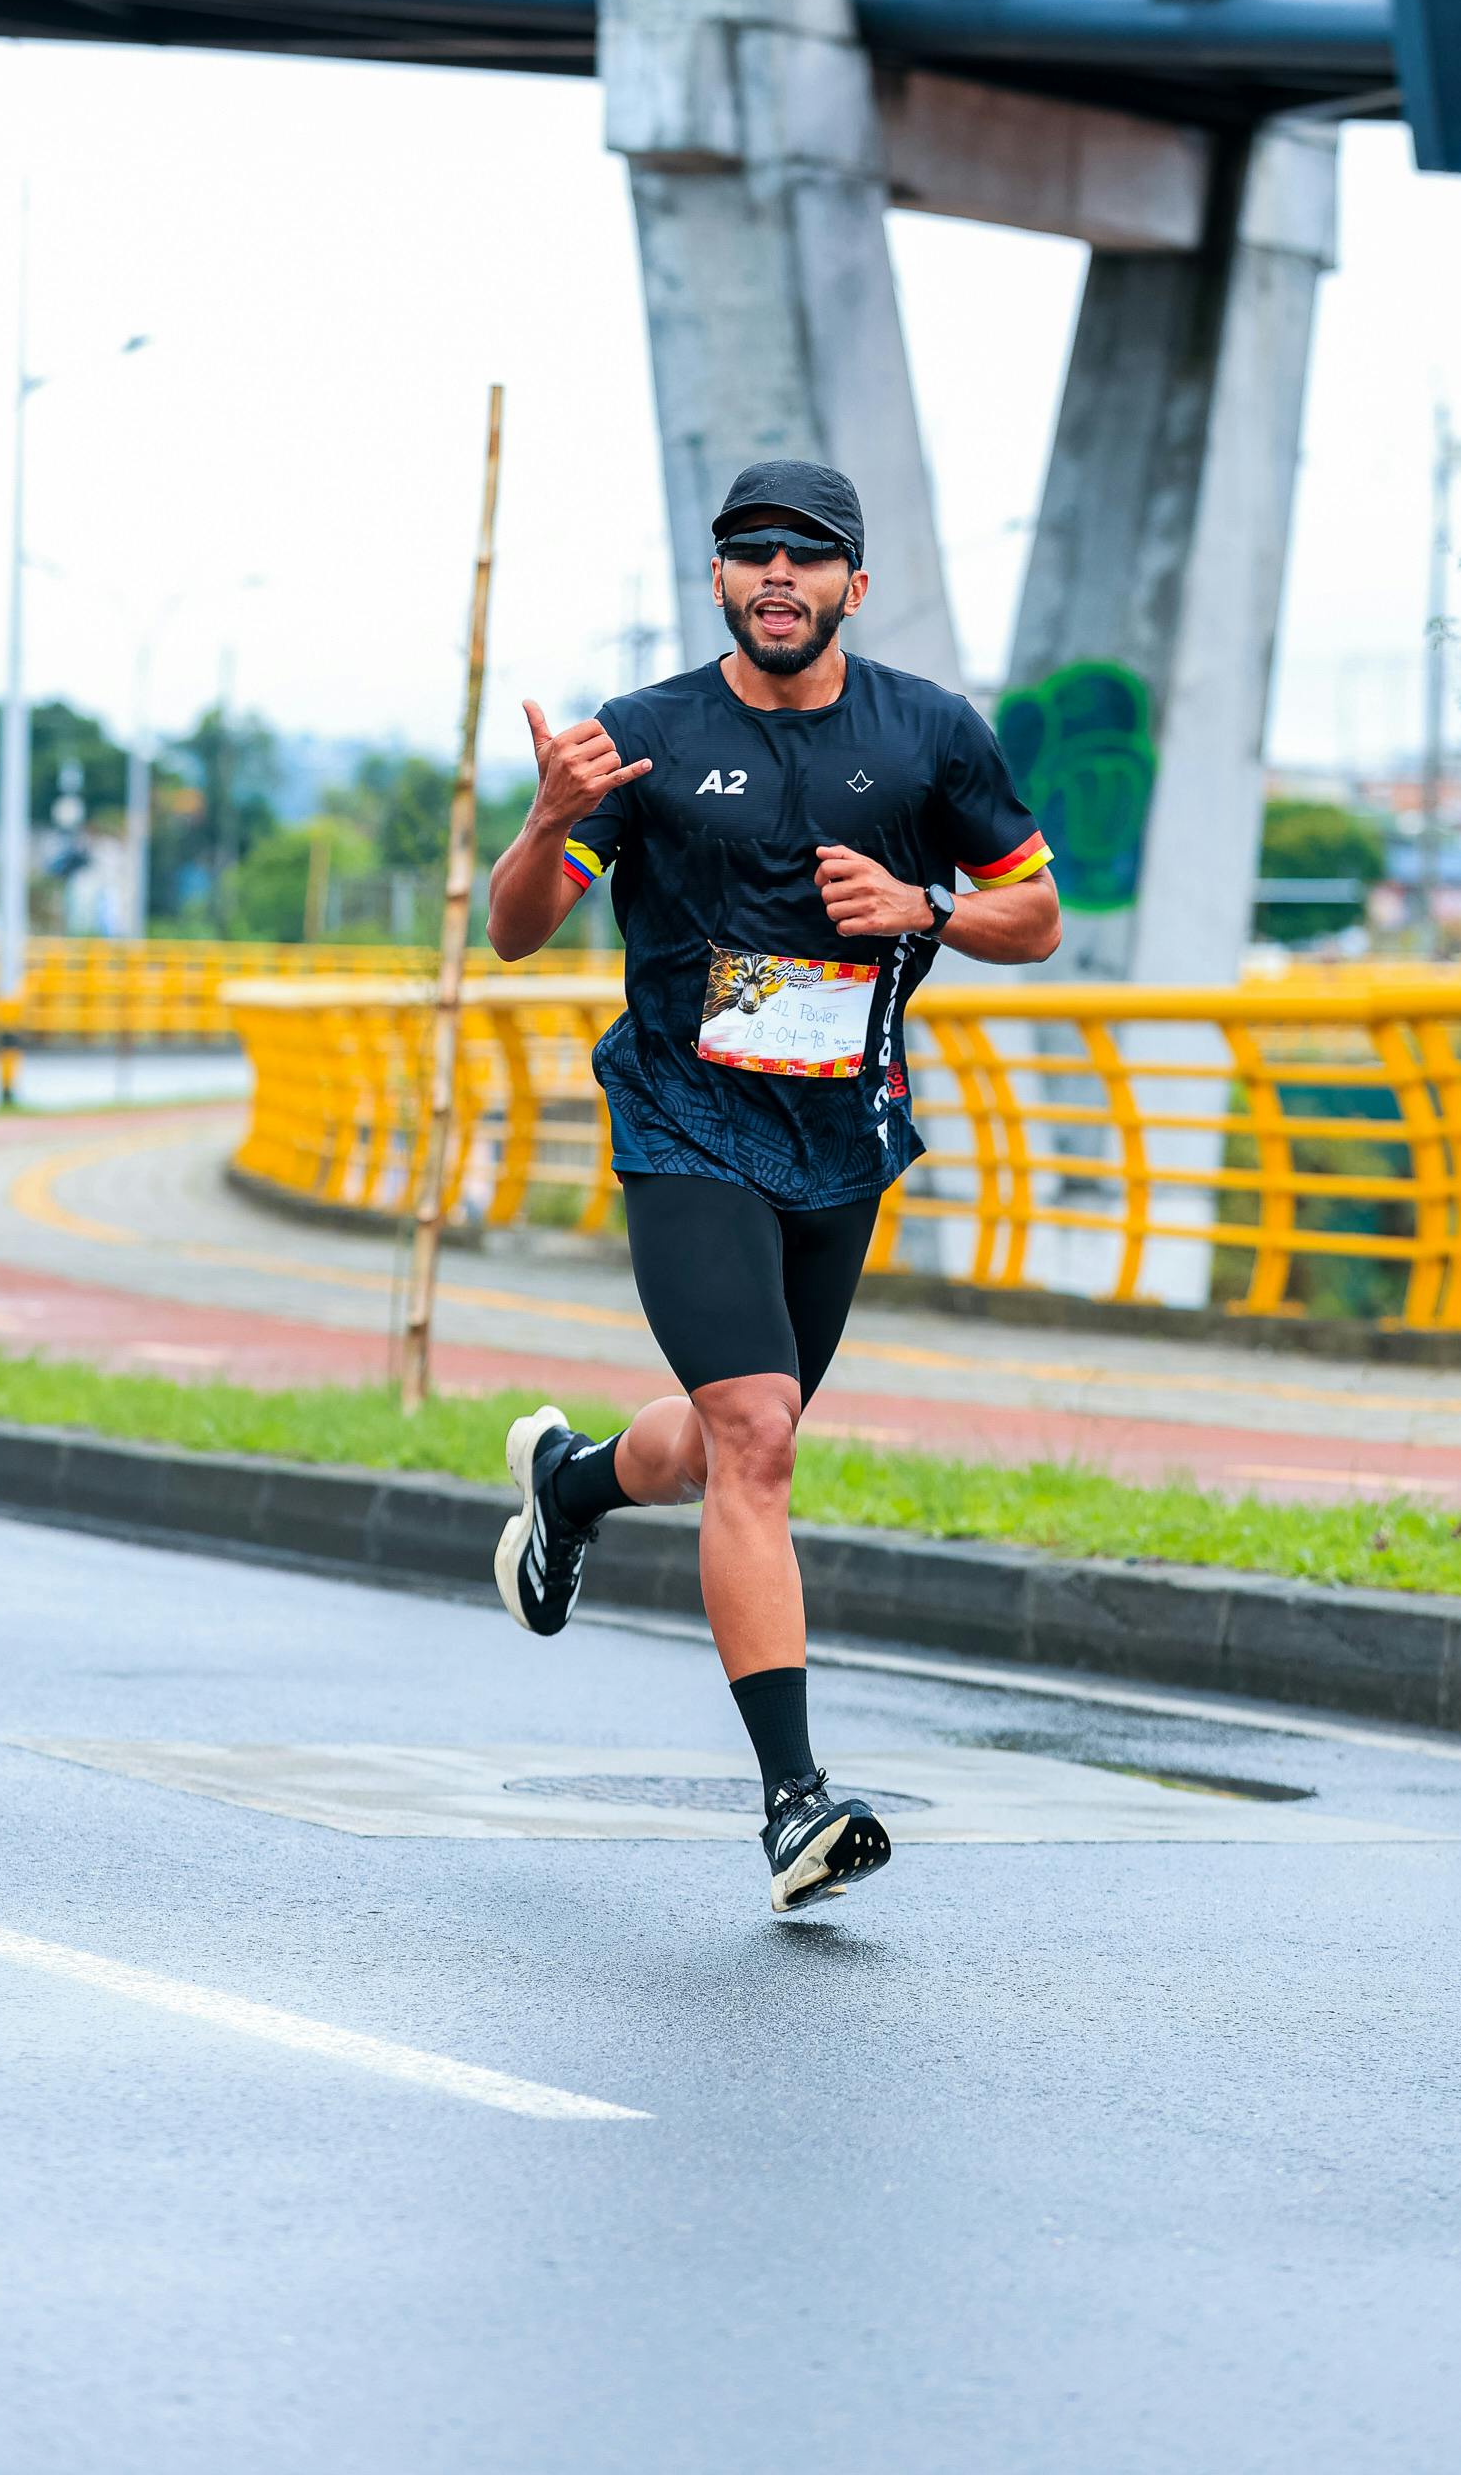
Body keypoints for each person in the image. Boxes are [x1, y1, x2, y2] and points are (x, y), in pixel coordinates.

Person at [485, 460, 1061, 1914]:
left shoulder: (930, 734)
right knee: (757, 1437)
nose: (777, 576)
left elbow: (1037, 914)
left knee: (744, 1432)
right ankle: (795, 1802)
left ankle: (570, 1485)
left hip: (842, 1132)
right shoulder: (645, 738)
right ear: (721, 582)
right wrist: (548, 820)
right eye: (751, 554)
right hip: (682, 1117)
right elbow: (514, 932)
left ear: (856, 584)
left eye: (807, 556)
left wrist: (927, 909)